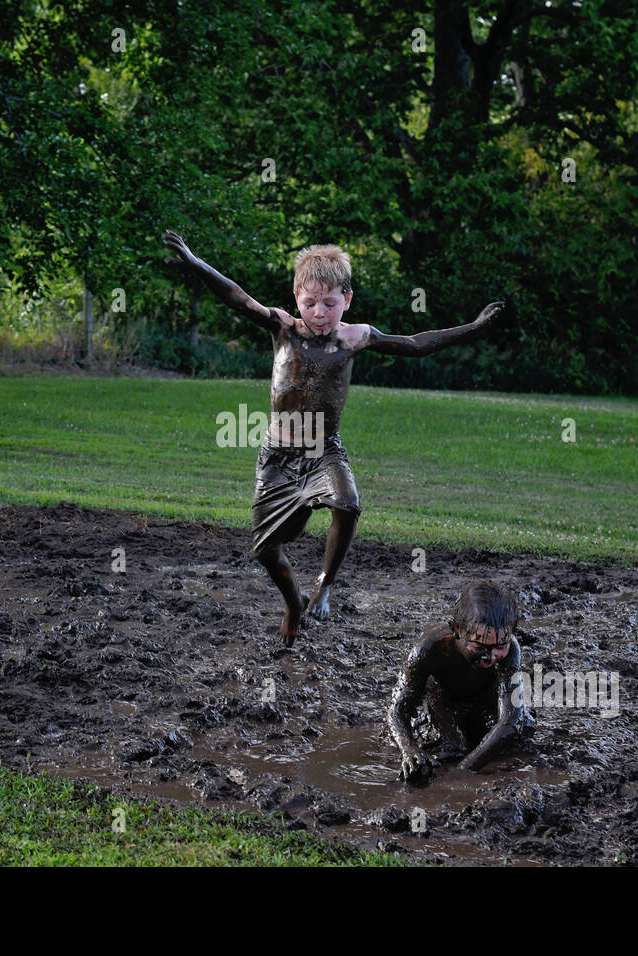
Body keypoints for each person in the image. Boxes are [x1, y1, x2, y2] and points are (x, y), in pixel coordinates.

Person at [164, 229, 502, 645]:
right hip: (279, 455)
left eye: (329, 303)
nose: (319, 312)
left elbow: (415, 344)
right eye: (309, 303)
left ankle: (324, 585)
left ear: (347, 299)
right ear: (295, 298)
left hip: (324, 449)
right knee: (265, 549)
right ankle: (293, 602)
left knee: (349, 502)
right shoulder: (284, 328)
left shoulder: (356, 336)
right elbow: (237, 296)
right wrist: (196, 264)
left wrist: (473, 329)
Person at [387, 580, 534, 780]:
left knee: (520, 737)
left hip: (485, 703)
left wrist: (464, 770)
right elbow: (397, 710)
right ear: (457, 630)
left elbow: (511, 720)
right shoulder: (429, 649)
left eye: (500, 645)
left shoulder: (511, 653)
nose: (489, 656)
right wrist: (408, 749)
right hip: (443, 705)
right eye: (480, 646)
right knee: (450, 748)